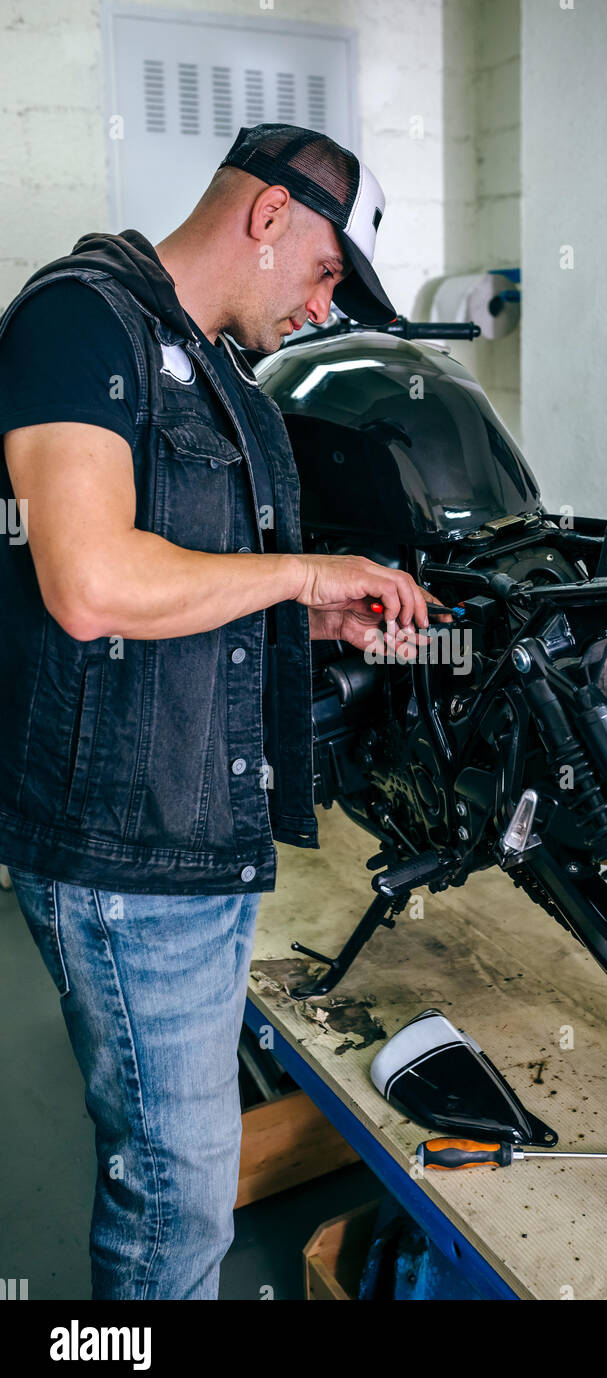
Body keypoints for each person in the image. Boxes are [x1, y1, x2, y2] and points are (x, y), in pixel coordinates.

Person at [0, 123, 443, 1300]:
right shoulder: (80, 321)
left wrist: (307, 617)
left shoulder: (222, 374)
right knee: (175, 1198)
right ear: (268, 215)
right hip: (125, 855)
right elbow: (90, 582)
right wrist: (302, 575)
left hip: (200, 840)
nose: (322, 302)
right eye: (324, 269)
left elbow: (187, 585)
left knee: (180, 1179)